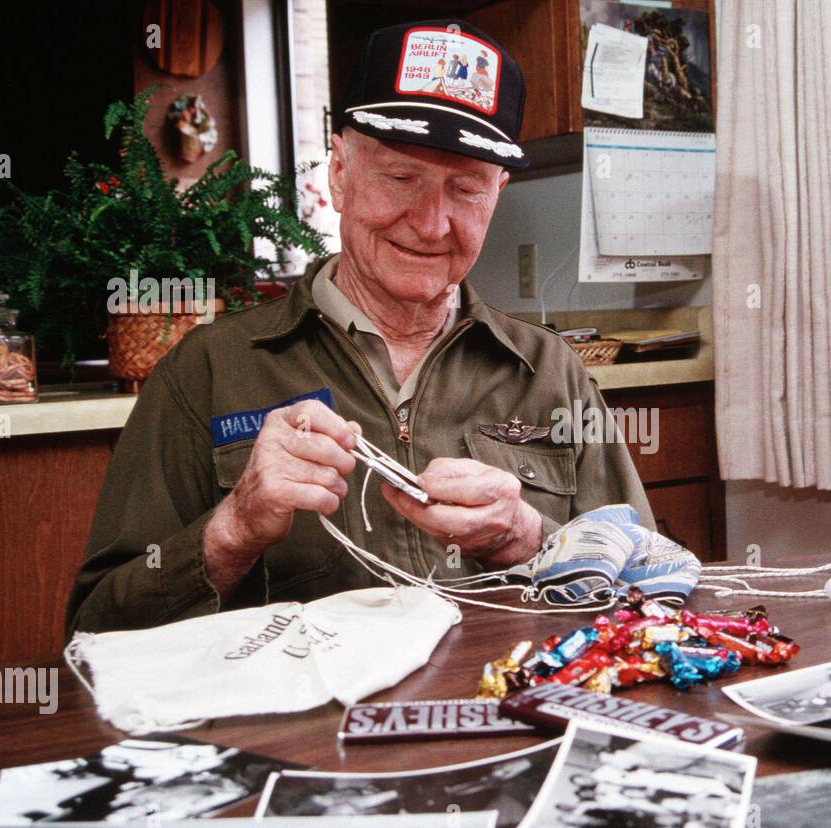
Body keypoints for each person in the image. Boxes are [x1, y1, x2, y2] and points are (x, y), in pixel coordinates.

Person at [68, 20, 652, 633]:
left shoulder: (550, 370)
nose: (431, 224)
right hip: (299, 725)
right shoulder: (209, 370)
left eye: (465, 189)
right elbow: (97, 629)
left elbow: (653, 592)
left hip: (511, 714)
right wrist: (233, 529)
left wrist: (528, 537)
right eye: (401, 179)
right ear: (340, 174)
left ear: (498, 194)